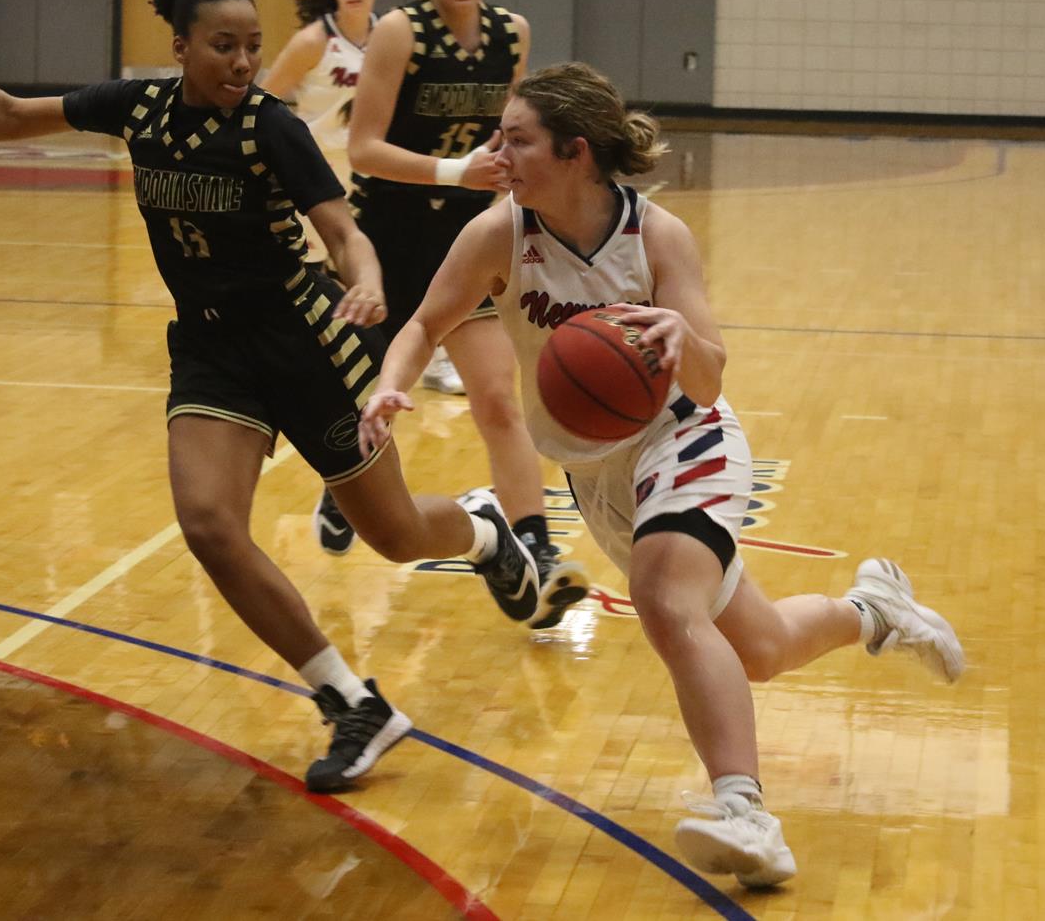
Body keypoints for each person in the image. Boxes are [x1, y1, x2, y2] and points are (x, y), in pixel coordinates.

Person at [0, 0, 543, 795]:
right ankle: (350, 701)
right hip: (211, 350)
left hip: (307, 342)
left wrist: (368, 279)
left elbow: (341, 232)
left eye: (252, 47)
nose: (241, 61)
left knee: (398, 535)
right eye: (223, 45)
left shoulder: (274, 128)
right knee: (207, 521)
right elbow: (2, 116)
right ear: (181, 46)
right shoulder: (137, 107)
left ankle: (485, 531)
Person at [358, 62, 967, 887]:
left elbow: (712, 379)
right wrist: (390, 381)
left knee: (665, 599)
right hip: (597, 471)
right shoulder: (498, 232)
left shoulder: (659, 237)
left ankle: (747, 812)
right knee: (759, 649)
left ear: (574, 151)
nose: (497, 151)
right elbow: (425, 322)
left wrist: (684, 334)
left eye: (518, 138)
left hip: (687, 437)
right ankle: (873, 610)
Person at [347, 0, 589, 629]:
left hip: (462, 238)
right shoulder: (398, 33)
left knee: (498, 399)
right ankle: (345, 493)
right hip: (386, 240)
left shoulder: (511, 33)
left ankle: (538, 555)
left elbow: (503, 136)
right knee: (356, 405)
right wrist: (457, 169)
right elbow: (362, 147)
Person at [262, 0, 465, 557]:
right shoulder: (310, 42)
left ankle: (416, 361)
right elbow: (264, 102)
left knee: (391, 296)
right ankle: (343, 434)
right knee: (335, 313)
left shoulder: (392, 40)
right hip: (316, 190)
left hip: (373, 185)